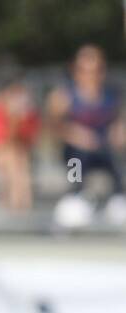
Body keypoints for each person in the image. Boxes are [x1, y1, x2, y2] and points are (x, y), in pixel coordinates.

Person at [47, 44, 125, 224]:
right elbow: (53, 127)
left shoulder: (111, 95)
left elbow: (118, 122)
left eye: (96, 70)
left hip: (105, 148)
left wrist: (118, 132)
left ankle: (119, 197)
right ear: (75, 70)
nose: (90, 75)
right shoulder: (63, 96)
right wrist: (74, 134)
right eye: (84, 70)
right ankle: (76, 194)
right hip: (77, 152)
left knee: (116, 160)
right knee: (77, 158)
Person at [0, 73, 40, 212]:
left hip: (20, 154)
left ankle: (18, 207)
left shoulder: (28, 112)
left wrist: (17, 119)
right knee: (11, 158)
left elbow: (29, 141)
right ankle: (19, 207)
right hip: (0, 153)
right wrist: (13, 119)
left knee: (17, 159)